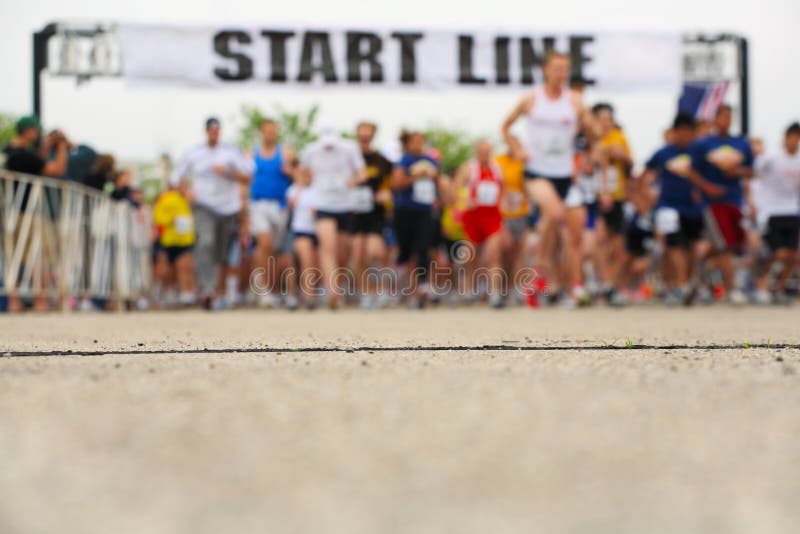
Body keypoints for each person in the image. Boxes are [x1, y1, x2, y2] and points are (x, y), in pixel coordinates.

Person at [501, 51, 596, 304]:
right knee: (554, 214)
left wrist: (590, 134)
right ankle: (539, 272)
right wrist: (517, 149)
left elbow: (592, 134)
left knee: (574, 236)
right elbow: (506, 126)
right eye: (556, 68)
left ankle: (574, 286)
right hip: (537, 172)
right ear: (546, 70)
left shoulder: (574, 100)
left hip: (566, 174)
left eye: (565, 69)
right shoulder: (532, 99)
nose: (561, 74)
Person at [171, 117, 254, 310]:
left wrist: (228, 173)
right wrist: (186, 191)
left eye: (217, 129)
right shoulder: (194, 153)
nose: (214, 133)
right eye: (211, 129)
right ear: (206, 131)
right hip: (203, 206)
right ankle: (207, 289)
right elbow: (177, 178)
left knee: (223, 253)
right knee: (205, 242)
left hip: (228, 208)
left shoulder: (231, 152)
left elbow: (248, 178)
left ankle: (220, 292)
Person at [689, 104, 754, 305]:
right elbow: (691, 171)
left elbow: (751, 171)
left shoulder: (741, 144)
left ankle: (694, 275)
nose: (726, 120)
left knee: (732, 245)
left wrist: (738, 172)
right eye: (722, 116)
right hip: (713, 203)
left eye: (729, 116)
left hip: (735, 200)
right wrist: (706, 187)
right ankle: (732, 290)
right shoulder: (703, 144)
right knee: (725, 245)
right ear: (715, 119)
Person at [3, 116, 69, 312]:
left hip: (9, 210)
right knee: (37, 256)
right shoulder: (24, 155)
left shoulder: (8, 151)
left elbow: (36, 160)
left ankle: (14, 301)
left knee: (12, 258)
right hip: (27, 210)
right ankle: (41, 301)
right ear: (30, 131)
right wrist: (62, 146)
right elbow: (56, 168)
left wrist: (47, 145)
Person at [300, 123, 366, 308]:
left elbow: (362, 173)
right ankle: (333, 292)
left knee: (343, 251)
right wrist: (307, 185)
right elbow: (302, 172)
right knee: (327, 246)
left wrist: (354, 181)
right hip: (322, 203)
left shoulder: (350, 149)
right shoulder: (310, 151)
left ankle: (338, 285)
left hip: (345, 204)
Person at [641, 113, 704, 304]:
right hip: (667, 206)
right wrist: (646, 198)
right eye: (681, 131)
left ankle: (686, 284)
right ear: (674, 132)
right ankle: (682, 285)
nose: (685, 135)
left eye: (688, 131)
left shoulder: (699, 153)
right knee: (675, 246)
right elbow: (645, 176)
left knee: (692, 249)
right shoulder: (663, 153)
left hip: (693, 208)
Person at [248, 119, 297, 308]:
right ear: (261, 133)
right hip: (258, 204)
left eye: (273, 131)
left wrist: (290, 171)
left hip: (280, 206)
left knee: (274, 251)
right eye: (266, 131)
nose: (270, 134)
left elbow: (301, 174)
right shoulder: (251, 154)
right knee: (264, 243)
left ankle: (269, 289)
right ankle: (264, 290)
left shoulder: (286, 152)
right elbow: (245, 180)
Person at [453, 140, 506, 308]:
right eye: (482, 152)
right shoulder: (469, 168)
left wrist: (503, 203)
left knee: (493, 256)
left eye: (487, 152)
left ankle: (495, 294)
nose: (485, 155)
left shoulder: (497, 169)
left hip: (492, 217)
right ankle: (469, 290)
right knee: (471, 258)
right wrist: (465, 199)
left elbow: (504, 189)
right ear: (477, 152)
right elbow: (455, 189)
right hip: (473, 218)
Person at [751, 122, 800, 304]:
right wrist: (756, 202)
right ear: (786, 138)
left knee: (791, 255)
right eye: (792, 137)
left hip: (792, 210)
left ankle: (779, 288)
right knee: (777, 253)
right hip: (772, 211)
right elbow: (753, 175)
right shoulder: (771, 158)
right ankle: (761, 284)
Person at [391, 131, 440, 308]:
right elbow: (396, 184)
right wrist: (416, 176)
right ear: (408, 144)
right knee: (405, 251)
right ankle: (403, 285)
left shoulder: (431, 161)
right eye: (415, 142)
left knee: (422, 247)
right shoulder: (404, 161)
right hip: (405, 211)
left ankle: (422, 285)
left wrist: (434, 177)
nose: (418, 145)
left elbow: (439, 183)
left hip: (425, 211)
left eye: (421, 141)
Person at [351, 121, 393, 309]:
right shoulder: (349, 158)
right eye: (362, 135)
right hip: (355, 212)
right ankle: (366, 293)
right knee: (359, 255)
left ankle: (382, 289)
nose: (365, 138)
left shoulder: (381, 160)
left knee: (374, 252)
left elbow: (392, 183)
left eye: (368, 135)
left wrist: (387, 194)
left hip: (375, 213)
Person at [592, 103, 633, 300]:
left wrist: (622, 155)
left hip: (617, 198)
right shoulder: (591, 139)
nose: (606, 123)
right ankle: (601, 281)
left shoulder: (619, 137)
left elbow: (630, 164)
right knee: (598, 241)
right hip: (595, 196)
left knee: (617, 245)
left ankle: (613, 285)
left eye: (609, 119)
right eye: (602, 119)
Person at [152, 186, 196, 306]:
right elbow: (158, 218)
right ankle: (168, 292)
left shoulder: (184, 201)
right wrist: (171, 219)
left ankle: (184, 292)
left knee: (184, 266)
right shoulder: (166, 199)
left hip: (183, 240)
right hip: (170, 240)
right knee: (169, 268)